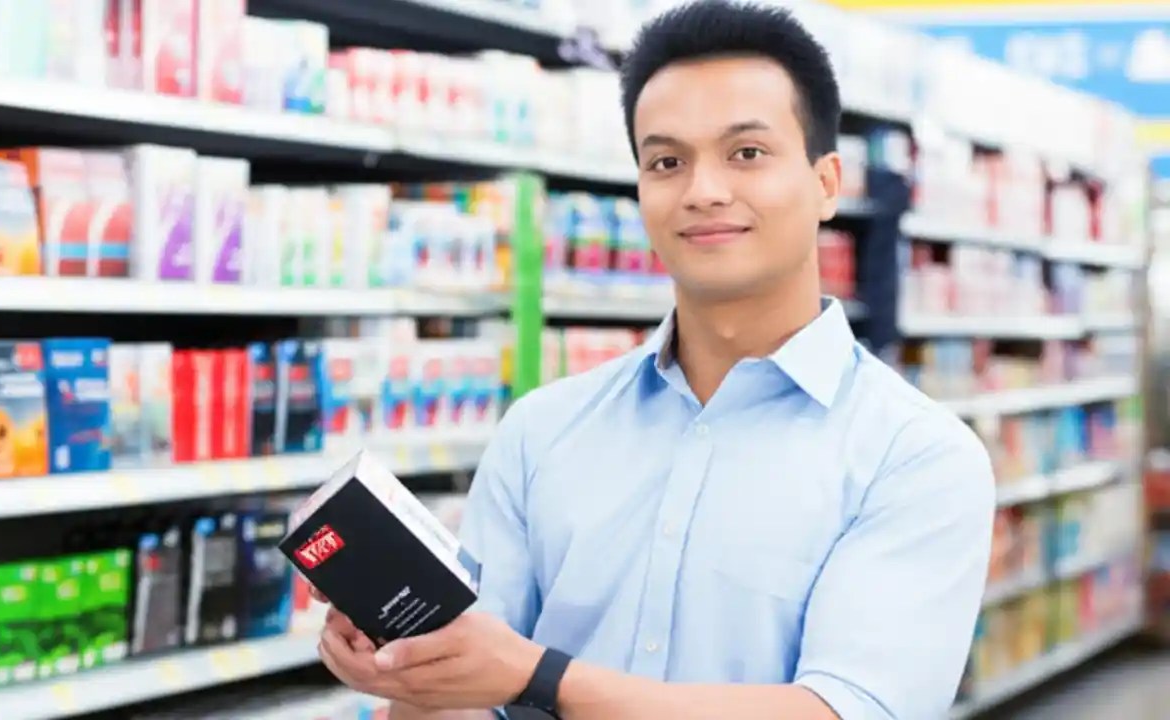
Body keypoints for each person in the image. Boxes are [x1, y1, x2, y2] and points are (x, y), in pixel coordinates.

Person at [317, 2, 995, 718]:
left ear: (827, 183)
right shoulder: (541, 432)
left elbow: (848, 710)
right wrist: (407, 665)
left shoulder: (915, 456)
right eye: (667, 162)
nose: (704, 192)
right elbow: (469, 694)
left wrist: (540, 678)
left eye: (747, 153)